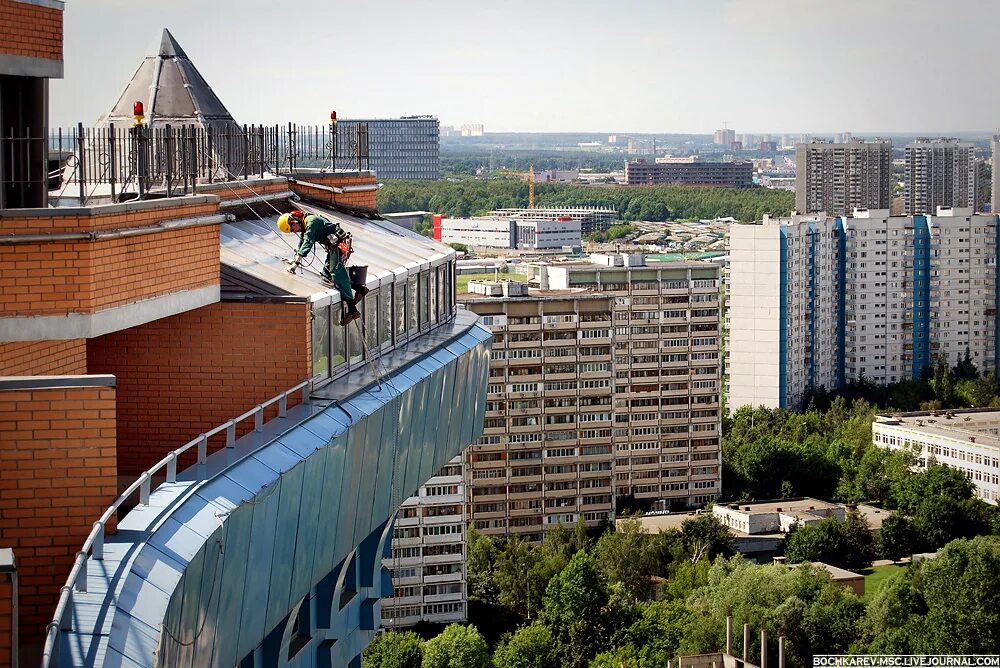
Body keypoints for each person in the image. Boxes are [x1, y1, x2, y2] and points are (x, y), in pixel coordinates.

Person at [277, 209, 366, 325]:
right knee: (326, 275)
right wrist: (294, 259)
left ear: (294, 221)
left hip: (339, 244)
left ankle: (352, 310)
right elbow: (302, 242)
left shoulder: (311, 222)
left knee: (336, 272)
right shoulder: (304, 223)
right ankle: (359, 289)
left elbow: (308, 242)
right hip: (334, 246)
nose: (296, 232)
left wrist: (296, 264)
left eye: (293, 229)